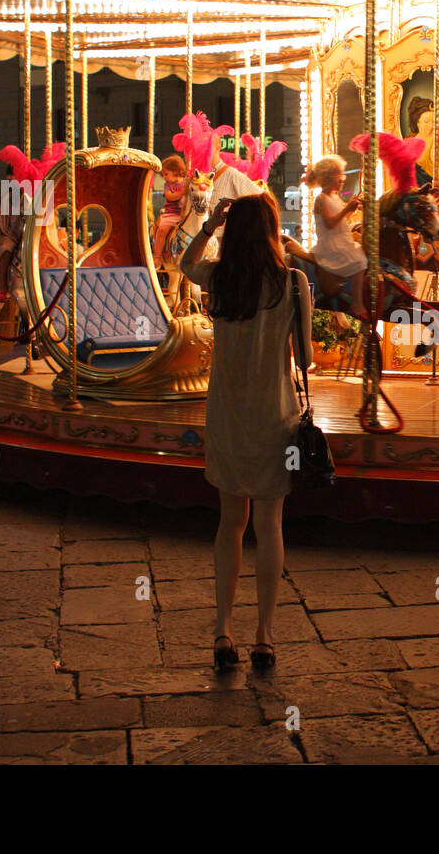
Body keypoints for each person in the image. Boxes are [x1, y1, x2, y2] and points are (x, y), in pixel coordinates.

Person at [179, 192, 310, 674]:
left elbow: (184, 260)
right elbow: (308, 358)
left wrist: (210, 224)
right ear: (274, 230)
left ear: (233, 233)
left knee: (229, 523)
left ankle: (222, 630)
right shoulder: (292, 283)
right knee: (269, 525)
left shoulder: (220, 278)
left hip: (228, 414)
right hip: (275, 414)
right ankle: (265, 635)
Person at [303, 154, 368, 320]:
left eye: (342, 176)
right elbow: (330, 224)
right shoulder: (321, 199)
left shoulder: (335, 197)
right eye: (339, 176)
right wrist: (346, 210)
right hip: (330, 246)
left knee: (362, 252)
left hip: (340, 241)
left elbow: (339, 221)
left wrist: (350, 211)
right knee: (360, 261)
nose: (342, 180)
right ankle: (357, 303)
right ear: (326, 178)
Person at [152, 154, 188, 266]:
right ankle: (157, 255)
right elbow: (170, 196)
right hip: (172, 213)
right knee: (162, 230)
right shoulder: (168, 185)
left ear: (176, 171)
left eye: (166, 174)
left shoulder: (187, 183)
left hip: (185, 214)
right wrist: (182, 193)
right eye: (163, 175)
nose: (165, 177)